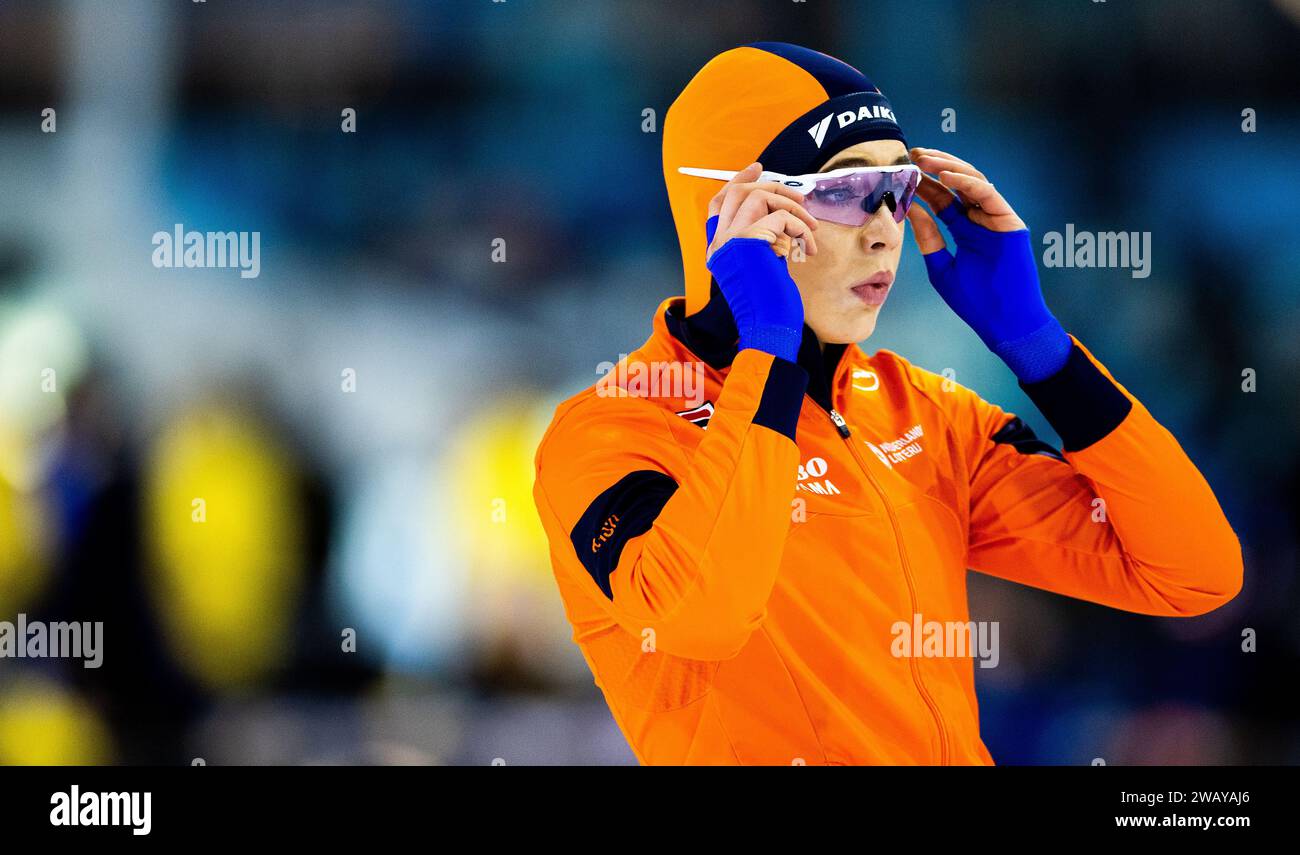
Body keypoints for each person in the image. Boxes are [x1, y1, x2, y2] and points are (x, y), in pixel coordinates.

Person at [531, 42, 1242, 764]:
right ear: (728, 209)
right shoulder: (612, 431)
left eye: (896, 190)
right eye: (841, 189)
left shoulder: (920, 412)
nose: (882, 231)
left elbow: (1194, 572)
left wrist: (1044, 350)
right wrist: (767, 353)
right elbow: (701, 617)